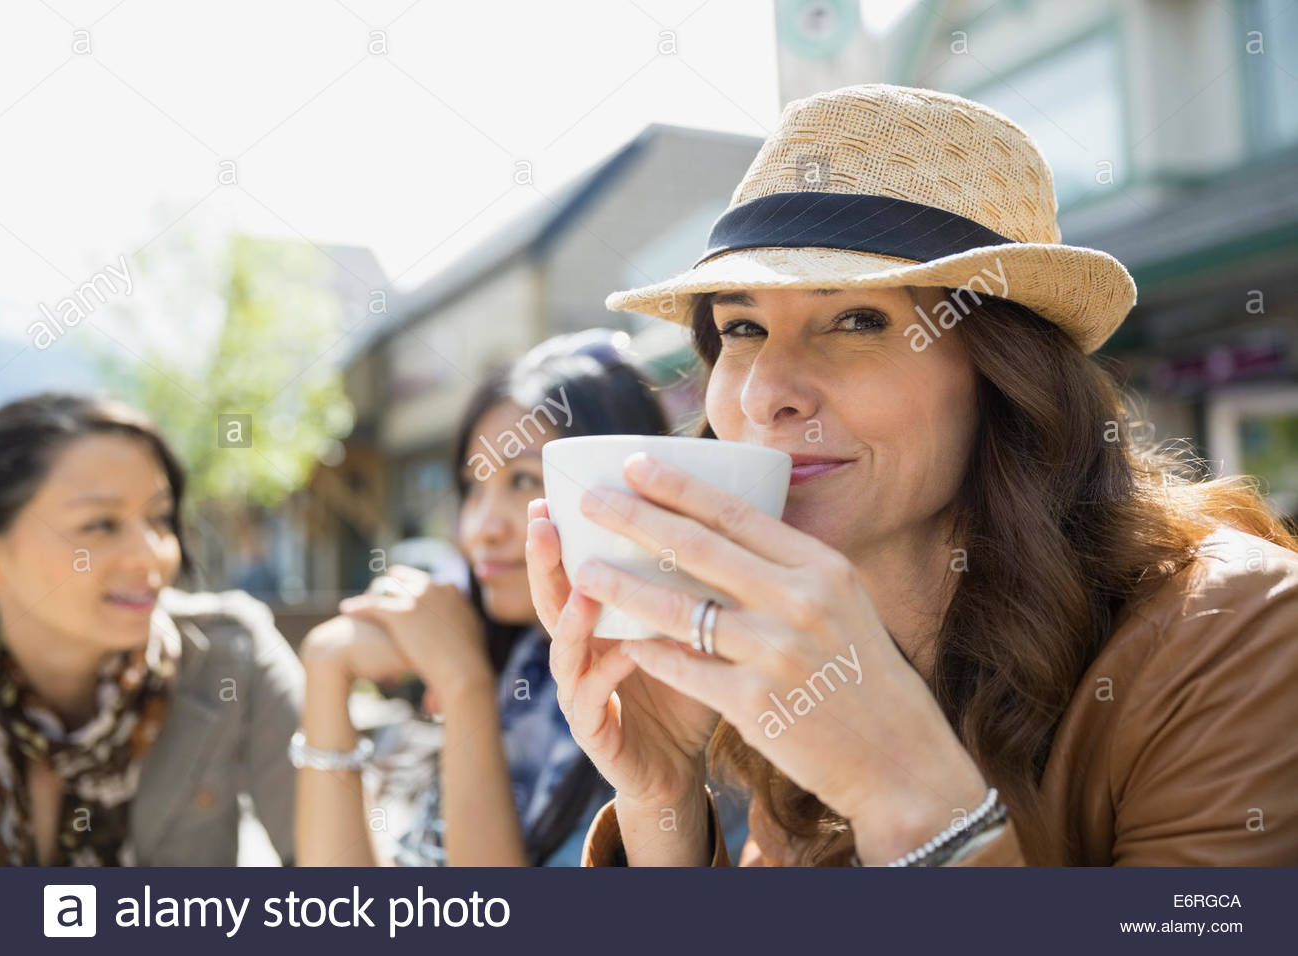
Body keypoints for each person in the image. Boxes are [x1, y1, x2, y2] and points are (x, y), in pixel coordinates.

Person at [525, 84, 1298, 867]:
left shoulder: (1240, 632)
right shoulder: (817, 663)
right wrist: (665, 802)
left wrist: (909, 795)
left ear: (1005, 369)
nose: (765, 394)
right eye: (742, 327)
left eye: (856, 320)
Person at [295, 330, 673, 866]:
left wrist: (461, 682)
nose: (480, 529)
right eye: (473, 489)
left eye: (522, 480)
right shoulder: (515, 665)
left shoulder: (677, 708)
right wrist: (326, 667)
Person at [0, 393, 302, 866]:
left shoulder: (227, 656)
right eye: (100, 524)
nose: (153, 556)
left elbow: (355, 903)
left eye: (159, 518)